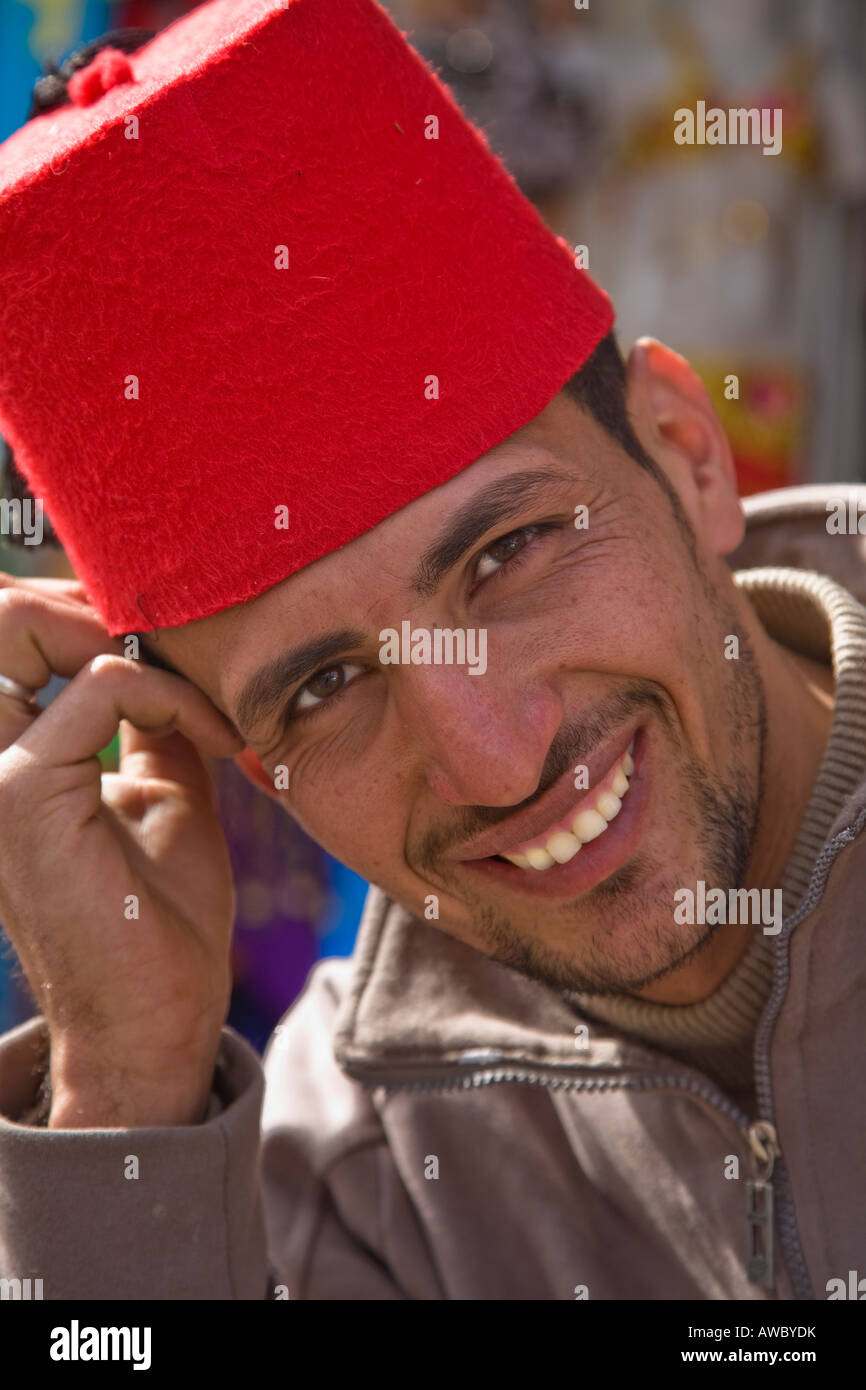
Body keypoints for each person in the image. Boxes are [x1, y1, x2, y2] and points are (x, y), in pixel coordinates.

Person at [0, 0, 863, 1301]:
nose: (495, 758)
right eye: (325, 686)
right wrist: (125, 1087)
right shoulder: (355, 1170)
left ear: (687, 454)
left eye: (506, 553)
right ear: (226, 759)